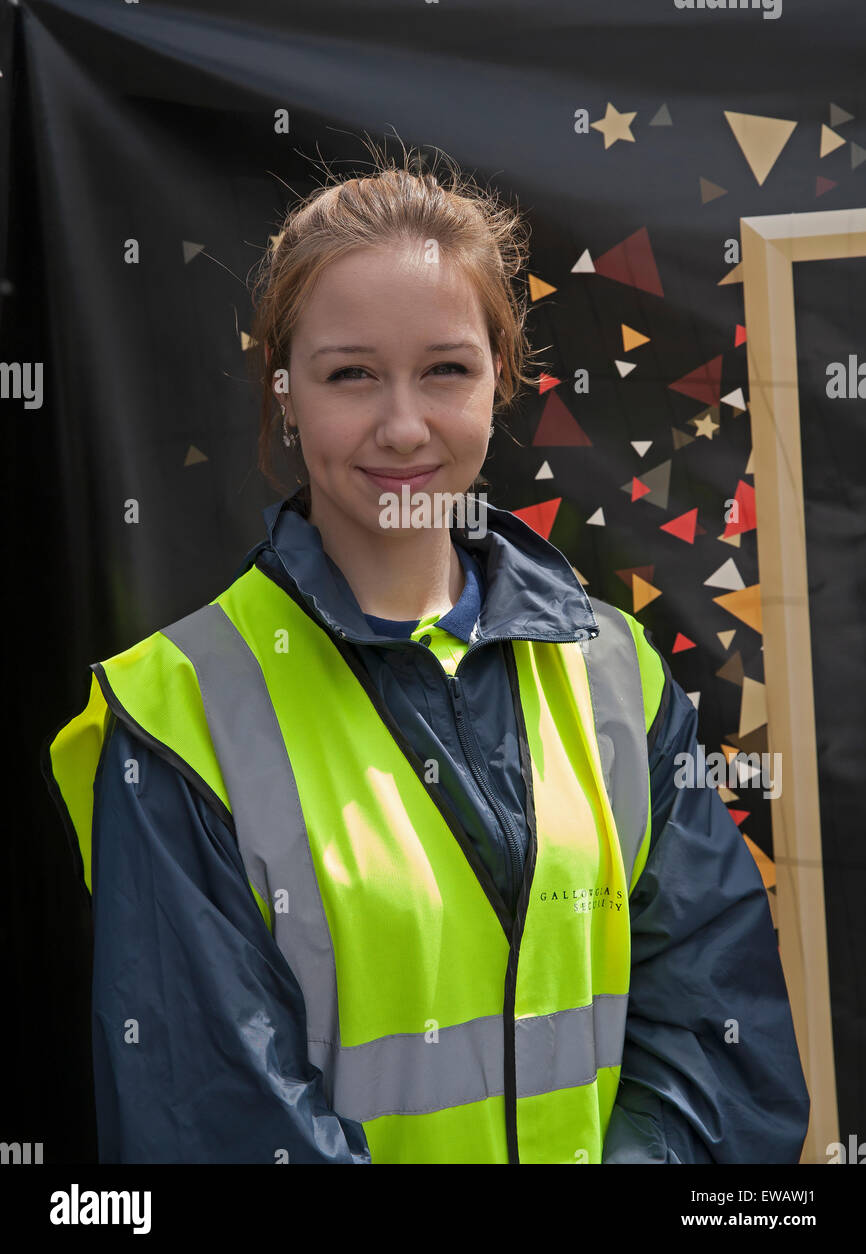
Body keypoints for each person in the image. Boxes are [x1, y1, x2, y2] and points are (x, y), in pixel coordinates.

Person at [42, 149, 810, 1164]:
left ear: (501, 377)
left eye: (444, 369)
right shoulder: (172, 713)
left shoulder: (613, 671)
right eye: (349, 373)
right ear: (284, 393)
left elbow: (722, 1047)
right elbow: (216, 1123)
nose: (402, 426)